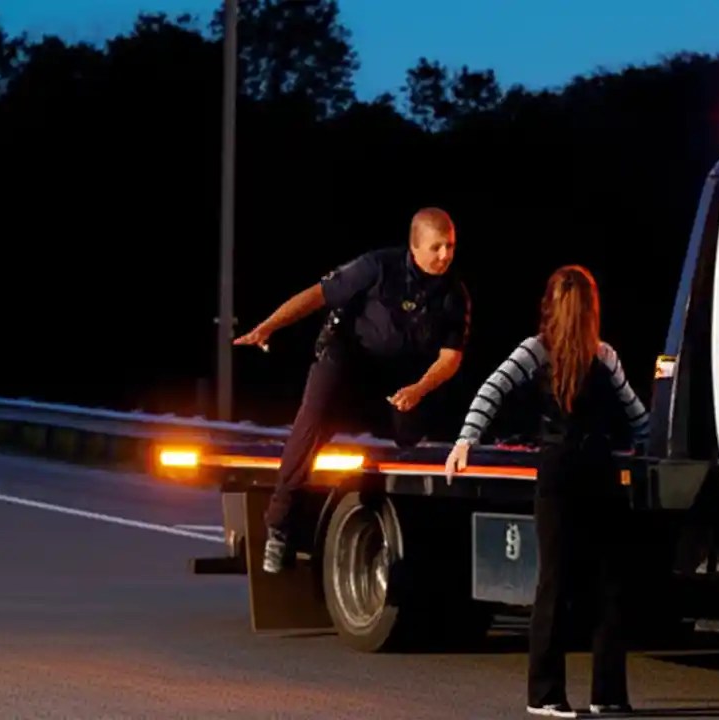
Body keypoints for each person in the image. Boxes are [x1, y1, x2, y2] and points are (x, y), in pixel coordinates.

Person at [445, 265, 649, 718]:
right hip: (592, 469)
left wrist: (466, 439)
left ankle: (551, 693)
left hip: (560, 469)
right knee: (603, 585)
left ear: (549, 307)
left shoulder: (548, 350)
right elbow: (638, 417)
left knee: (557, 583)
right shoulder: (596, 354)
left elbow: (491, 389)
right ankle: (603, 693)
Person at [235, 207, 471, 574]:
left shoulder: (454, 293)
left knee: (412, 431)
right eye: (437, 247)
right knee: (310, 425)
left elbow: (450, 358)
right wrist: (268, 327)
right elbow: (317, 295)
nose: (445, 255)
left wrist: (419, 388)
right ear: (415, 246)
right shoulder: (377, 267)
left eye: (451, 246)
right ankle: (280, 528)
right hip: (347, 360)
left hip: (399, 375)